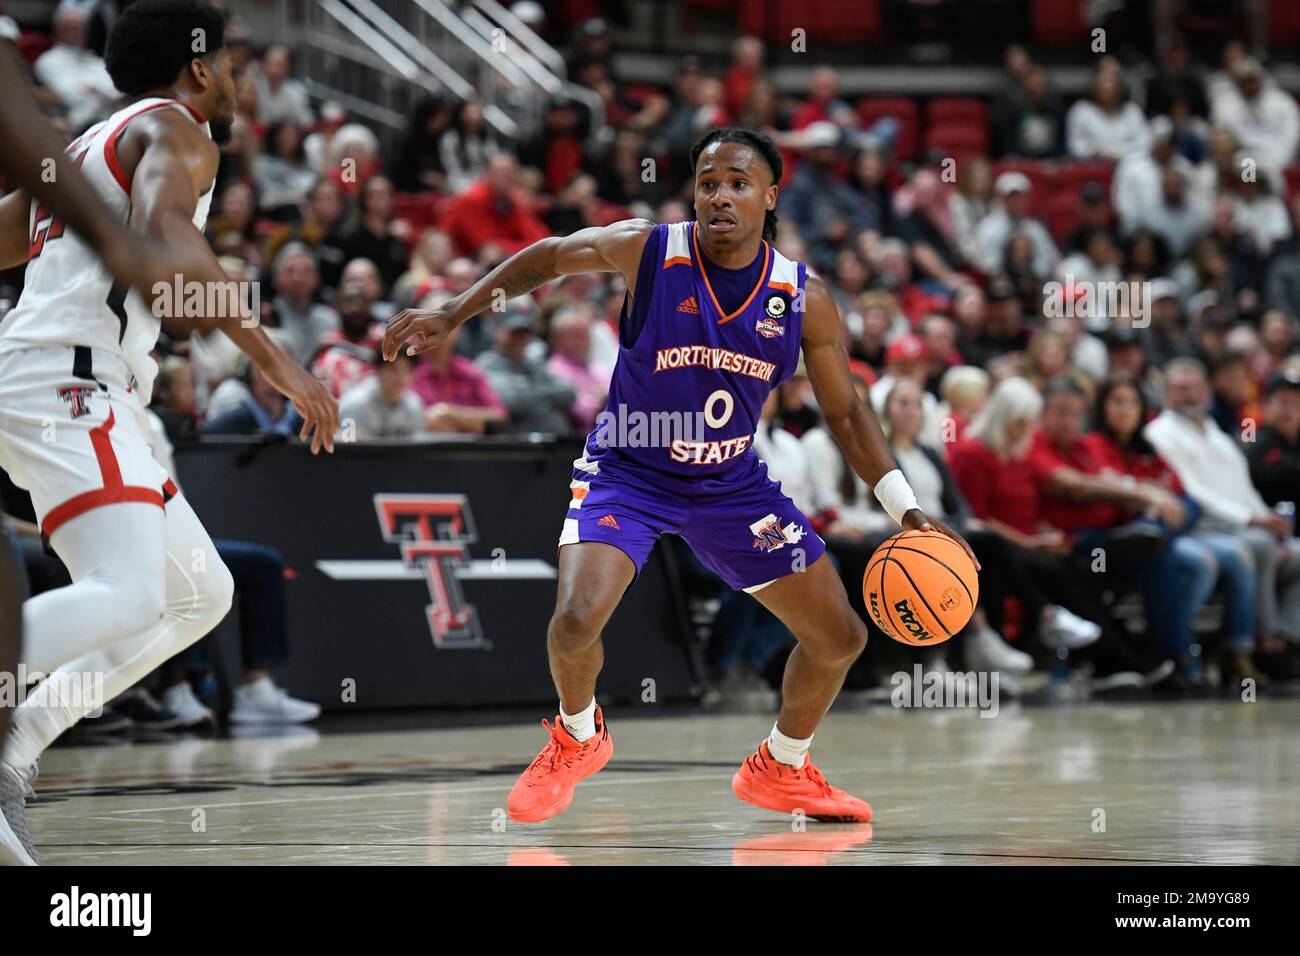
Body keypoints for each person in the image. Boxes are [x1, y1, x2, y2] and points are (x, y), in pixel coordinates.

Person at [382, 128, 975, 825]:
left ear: (771, 195)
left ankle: (783, 765)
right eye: (707, 182)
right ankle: (578, 736)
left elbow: (846, 415)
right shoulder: (650, 248)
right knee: (574, 620)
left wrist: (905, 509)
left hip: (729, 485)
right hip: (627, 471)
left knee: (841, 637)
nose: (719, 195)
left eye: (737, 182)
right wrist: (453, 311)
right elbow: (546, 258)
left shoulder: (803, 298)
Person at [0, 0, 338, 867]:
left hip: (66, 381)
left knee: (200, 594)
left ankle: (15, 748)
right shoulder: (181, 133)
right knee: (130, 596)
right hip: (71, 382)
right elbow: (169, 240)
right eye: (228, 64)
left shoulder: (87, 146)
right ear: (197, 69)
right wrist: (277, 360)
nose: (235, 80)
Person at [1148, 359, 1300, 682]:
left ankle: (1286, 638)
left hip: (1238, 524)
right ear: (1166, 393)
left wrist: (1267, 519)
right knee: (1256, 547)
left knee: (1295, 552)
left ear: (1206, 390)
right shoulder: (1160, 433)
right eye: (1180, 389)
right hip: (1200, 527)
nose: (1188, 395)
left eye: (1194, 387)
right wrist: (1252, 521)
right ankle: (1250, 646)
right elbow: (1194, 492)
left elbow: (1242, 488)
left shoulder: (1216, 434)